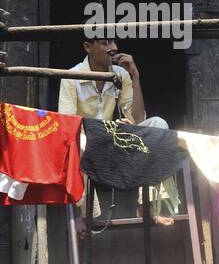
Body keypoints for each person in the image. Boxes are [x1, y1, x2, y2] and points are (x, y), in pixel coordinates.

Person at [59, 37, 179, 225]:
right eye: (105, 43)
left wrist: (135, 76)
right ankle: (85, 215)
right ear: (88, 47)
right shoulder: (71, 77)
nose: (113, 48)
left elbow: (138, 121)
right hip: (88, 145)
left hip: (114, 140)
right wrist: (101, 130)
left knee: (159, 125)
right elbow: (66, 127)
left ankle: (146, 207)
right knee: (77, 141)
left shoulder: (121, 74)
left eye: (114, 42)